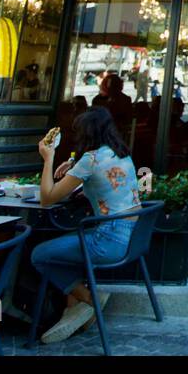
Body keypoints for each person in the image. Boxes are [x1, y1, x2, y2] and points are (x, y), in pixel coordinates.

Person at [30, 107, 141, 343]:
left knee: (39, 255)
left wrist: (48, 158)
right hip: (132, 237)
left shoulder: (89, 161)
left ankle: (89, 299)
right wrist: (72, 162)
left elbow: (47, 197)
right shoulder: (120, 153)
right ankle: (72, 307)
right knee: (71, 243)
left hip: (108, 241)